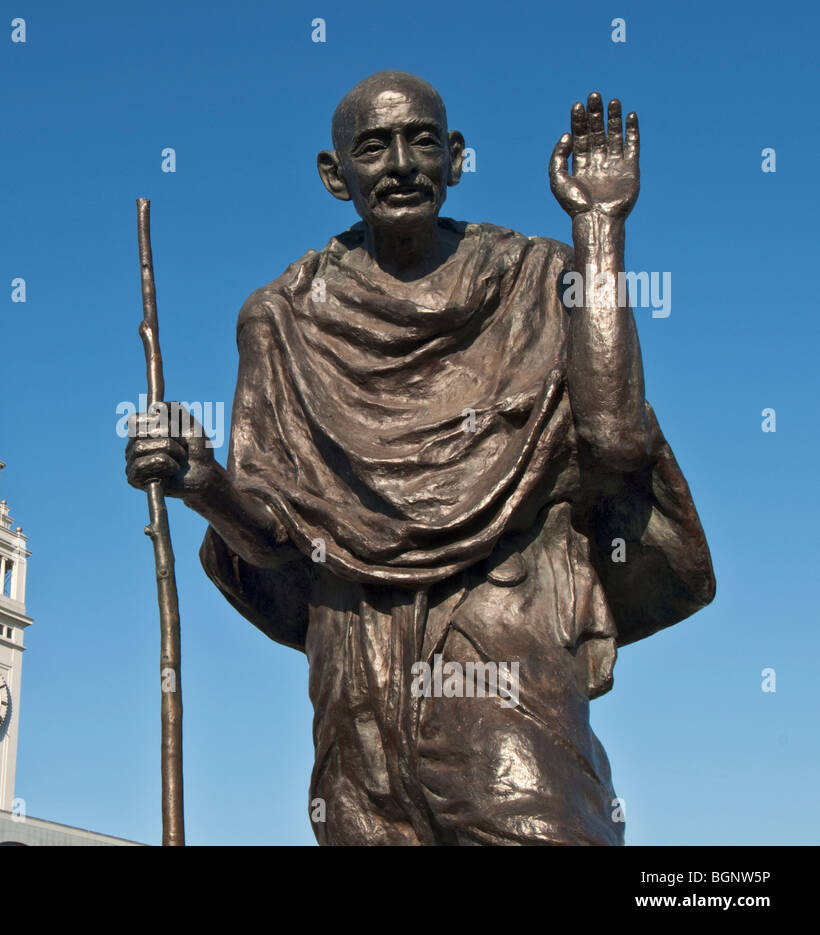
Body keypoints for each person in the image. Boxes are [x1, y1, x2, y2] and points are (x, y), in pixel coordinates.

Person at [125, 71, 714, 845]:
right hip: (356, 656)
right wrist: (202, 483)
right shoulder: (283, 318)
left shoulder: (537, 276)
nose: (401, 163)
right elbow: (279, 537)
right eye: (374, 147)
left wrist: (600, 230)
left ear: (457, 158)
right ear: (336, 176)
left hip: (503, 626)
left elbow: (617, 440)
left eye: (422, 141)